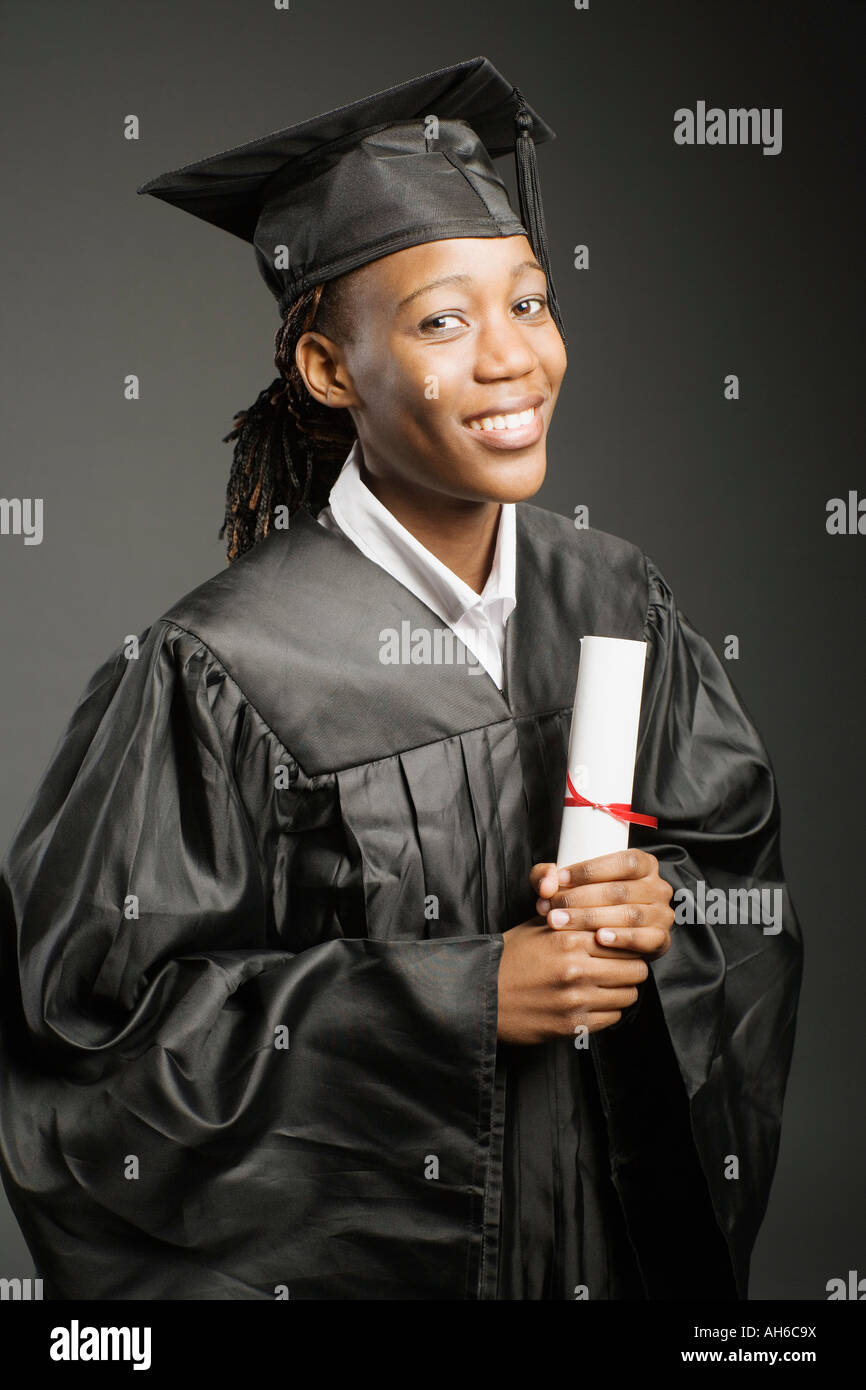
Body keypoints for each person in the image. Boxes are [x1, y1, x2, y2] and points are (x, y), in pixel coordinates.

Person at [0, 56, 802, 1301]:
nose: (509, 361)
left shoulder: (613, 596)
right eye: (441, 320)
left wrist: (666, 917)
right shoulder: (223, 667)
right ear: (329, 370)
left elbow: (734, 879)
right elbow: (89, 1049)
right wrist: (461, 998)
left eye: (529, 304)